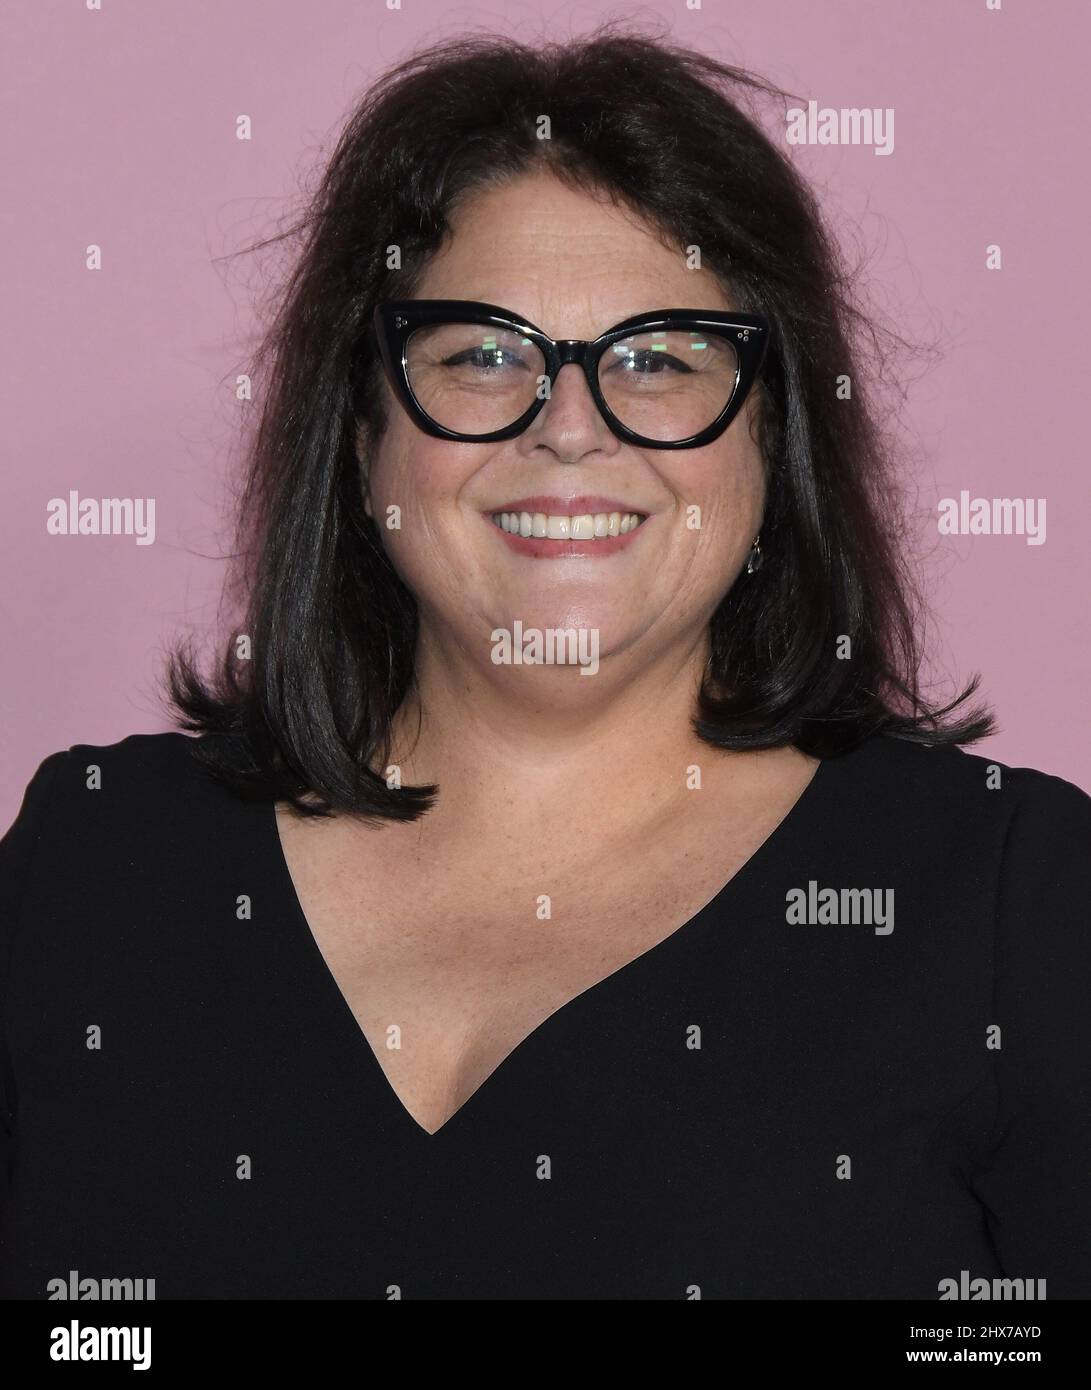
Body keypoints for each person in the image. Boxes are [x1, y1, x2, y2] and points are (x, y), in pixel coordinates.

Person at [2, 26, 1089, 1301]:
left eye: (658, 360)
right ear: (360, 437)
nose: (569, 430)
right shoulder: (94, 867)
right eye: (481, 356)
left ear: (770, 440)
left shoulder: (1012, 907)